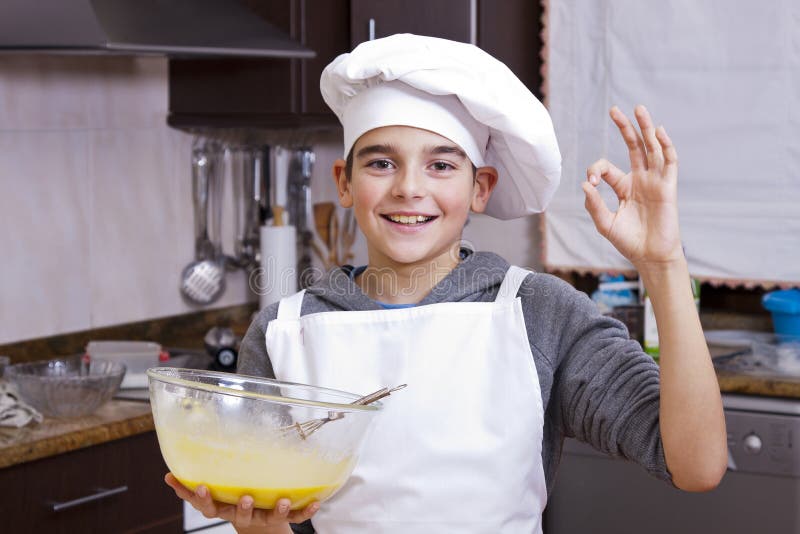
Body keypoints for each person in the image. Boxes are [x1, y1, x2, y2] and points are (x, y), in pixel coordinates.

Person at [166, 33, 727, 534]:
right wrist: (257, 527)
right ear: (344, 181)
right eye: (381, 163)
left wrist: (663, 264)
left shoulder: (539, 313)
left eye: (441, 165)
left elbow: (697, 466)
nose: (410, 189)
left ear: (480, 187)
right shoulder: (283, 332)